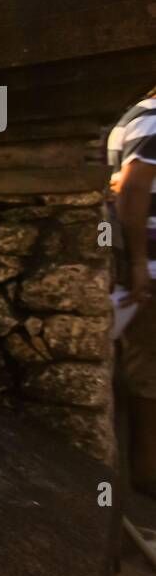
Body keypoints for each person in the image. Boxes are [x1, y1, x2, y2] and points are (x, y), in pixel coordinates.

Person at [113, 90, 156, 497]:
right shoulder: (153, 117)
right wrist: (140, 264)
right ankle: (147, 474)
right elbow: (131, 189)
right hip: (152, 273)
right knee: (148, 374)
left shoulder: (134, 113)